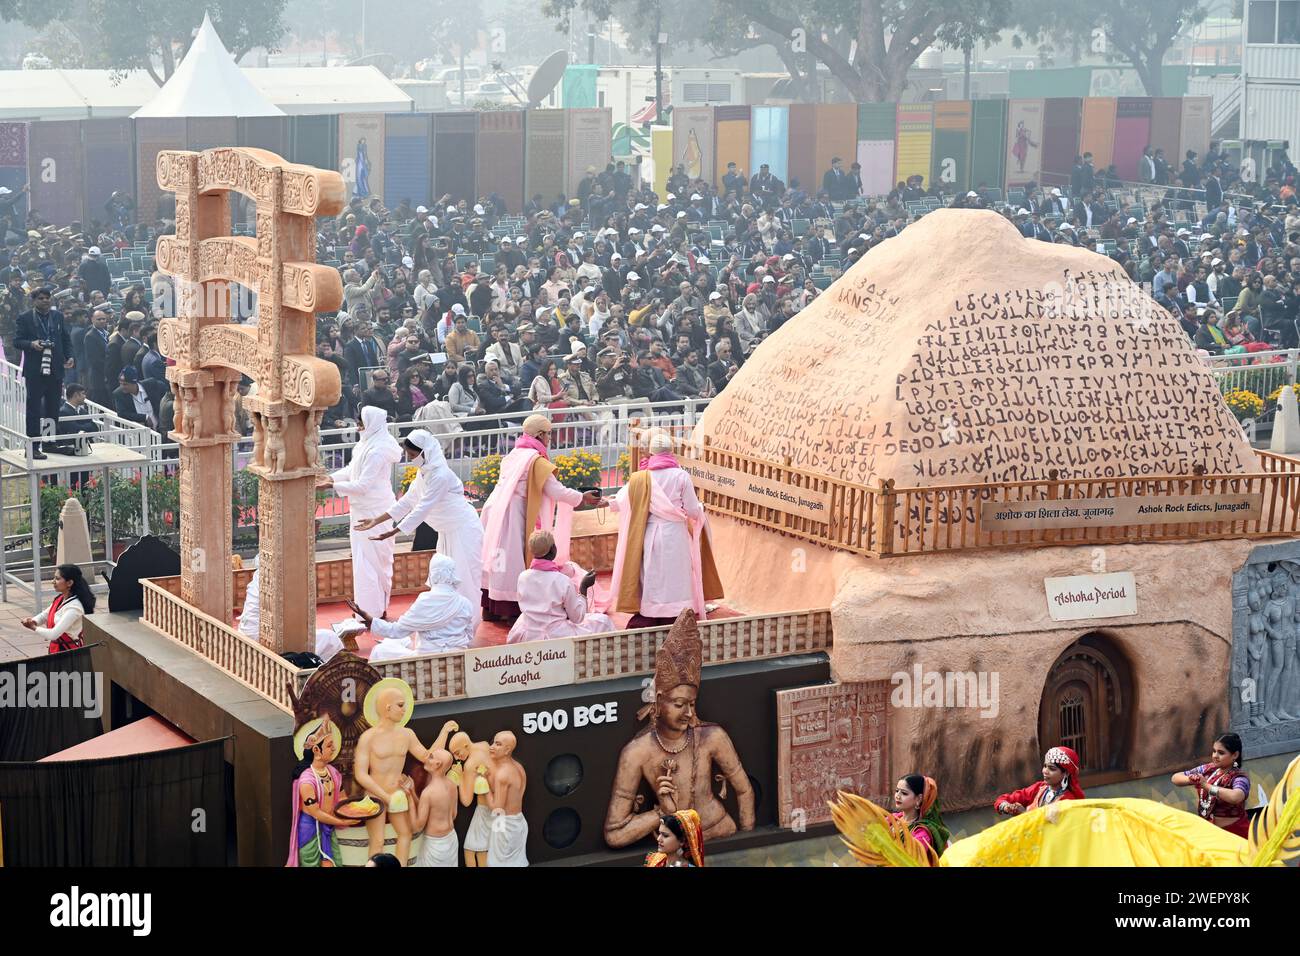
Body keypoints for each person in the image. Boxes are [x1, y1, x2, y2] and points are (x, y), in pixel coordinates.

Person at [478, 414, 604, 620]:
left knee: (498, 560)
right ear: (540, 435)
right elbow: (556, 491)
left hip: (497, 512)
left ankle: (491, 609)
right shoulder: (535, 461)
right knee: (512, 562)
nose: (550, 439)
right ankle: (511, 611)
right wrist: (582, 497)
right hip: (515, 514)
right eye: (549, 435)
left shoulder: (513, 454)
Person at [356, 429, 484, 626]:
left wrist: (394, 531)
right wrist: (377, 520)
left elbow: (422, 508)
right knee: (445, 580)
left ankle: (468, 625)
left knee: (466, 578)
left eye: (413, 455)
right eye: (409, 455)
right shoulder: (423, 472)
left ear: (426, 452)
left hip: (463, 529)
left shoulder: (440, 475)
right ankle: (449, 622)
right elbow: (407, 502)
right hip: (447, 531)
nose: (410, 459)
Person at [605, 430, 723, 628]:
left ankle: (650, 611)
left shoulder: (641, 477)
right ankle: (677, 613)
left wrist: (606, 504)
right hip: (675, 534)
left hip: (650, 534)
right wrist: (700, 511)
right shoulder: (681, 476)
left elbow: (623, 500)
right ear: (671, 452)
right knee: (676, 574)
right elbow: (693, 510)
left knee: (652, 573)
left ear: (651, 454)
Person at [316, 406, 403, 619]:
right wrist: (332, 478)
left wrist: (331, 487)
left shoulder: (379, 449)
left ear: (371, 425)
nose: (358, 427)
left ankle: (374, 612)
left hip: (376, 511)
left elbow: (363, 484)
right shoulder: (365, 443)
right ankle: (366, 611)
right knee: (362, 563)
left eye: (361, 423)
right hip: (360, 509)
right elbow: (352, 470)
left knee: (376, 563)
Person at [348, 554, 475, 661]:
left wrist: (369, 618)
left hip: (427, 659)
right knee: (405, 640)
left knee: (380, 650)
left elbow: (396, 630)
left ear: (432, 575)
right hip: (458, 658)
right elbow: (469, 635)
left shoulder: (425, 600)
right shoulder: (465, 603)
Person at [507, 530, 614, 643]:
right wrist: (583, 588)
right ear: (553, 549)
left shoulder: (523, 577)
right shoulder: (562, 580)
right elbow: (577, 618)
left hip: (528, 633)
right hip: (555, 635)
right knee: (604, 622)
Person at [286, 717, 359, 867]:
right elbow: (315, 813)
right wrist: (341, 821)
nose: (333, 749)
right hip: (311, 831)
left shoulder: (332, 772)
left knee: (333, 863)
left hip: (327, 828)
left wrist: (357, 811)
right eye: (330, 745)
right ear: (316, 750)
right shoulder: (306, 780)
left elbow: (342, 800)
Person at [16, 287, 74, 458]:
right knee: (34, 409)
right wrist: (31, 344)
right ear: (34, 300)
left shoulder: (57, 316)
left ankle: (49, 443)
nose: (45, 301)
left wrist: (69, 356)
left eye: (48, 298)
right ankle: (33, 447)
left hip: (55, 369)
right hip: (35, 370)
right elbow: (17, 341)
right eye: (41, 298)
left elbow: (65, 339)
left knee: (52, 408)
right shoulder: (25, 318)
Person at [1172, 732, 1250, 839]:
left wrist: (1206, 785)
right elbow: (1175, 778)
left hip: (1233, 833)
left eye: (1221, 753)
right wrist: (1191, 779)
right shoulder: (1208, 769)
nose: (1215, 756)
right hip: (1209, 831)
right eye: (1214, 751)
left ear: (1235, 755)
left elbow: (1236, 796)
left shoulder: (1239, 777)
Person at [22, 563, 95, 654]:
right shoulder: (60, 599)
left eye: (57, 578)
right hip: (56, 649)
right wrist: (33, 621)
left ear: (69, 583)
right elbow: (45, 615)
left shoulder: (74, 608)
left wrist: (33, 627)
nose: (53, 581)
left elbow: (53, 634)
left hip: (69, 652)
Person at [993, 745, 1086, 814]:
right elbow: (1003, 799)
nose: (1045, 771)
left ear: (1066, 773)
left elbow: (1048, 829)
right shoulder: (1040, 788)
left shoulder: (1068, 801)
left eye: (1052, 769)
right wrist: (1006, 807)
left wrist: (1024, 814)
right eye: (1045, 766)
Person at [411, 748, 460, 867]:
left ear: (438, 764)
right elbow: (453, 815)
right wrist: (412, 792)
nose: (427, 759)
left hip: (435, 845)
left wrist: (409, 800)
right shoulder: (452, 785)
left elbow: (417, 827)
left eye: (431, 757)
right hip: (451, 839)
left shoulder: (429, 792)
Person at [891, 774, 950, 864]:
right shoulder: (893, 818)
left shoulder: (922, 833)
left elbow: (907, 861)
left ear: (918, 799)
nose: (897, 796)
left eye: (904, 793)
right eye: (897, 791)